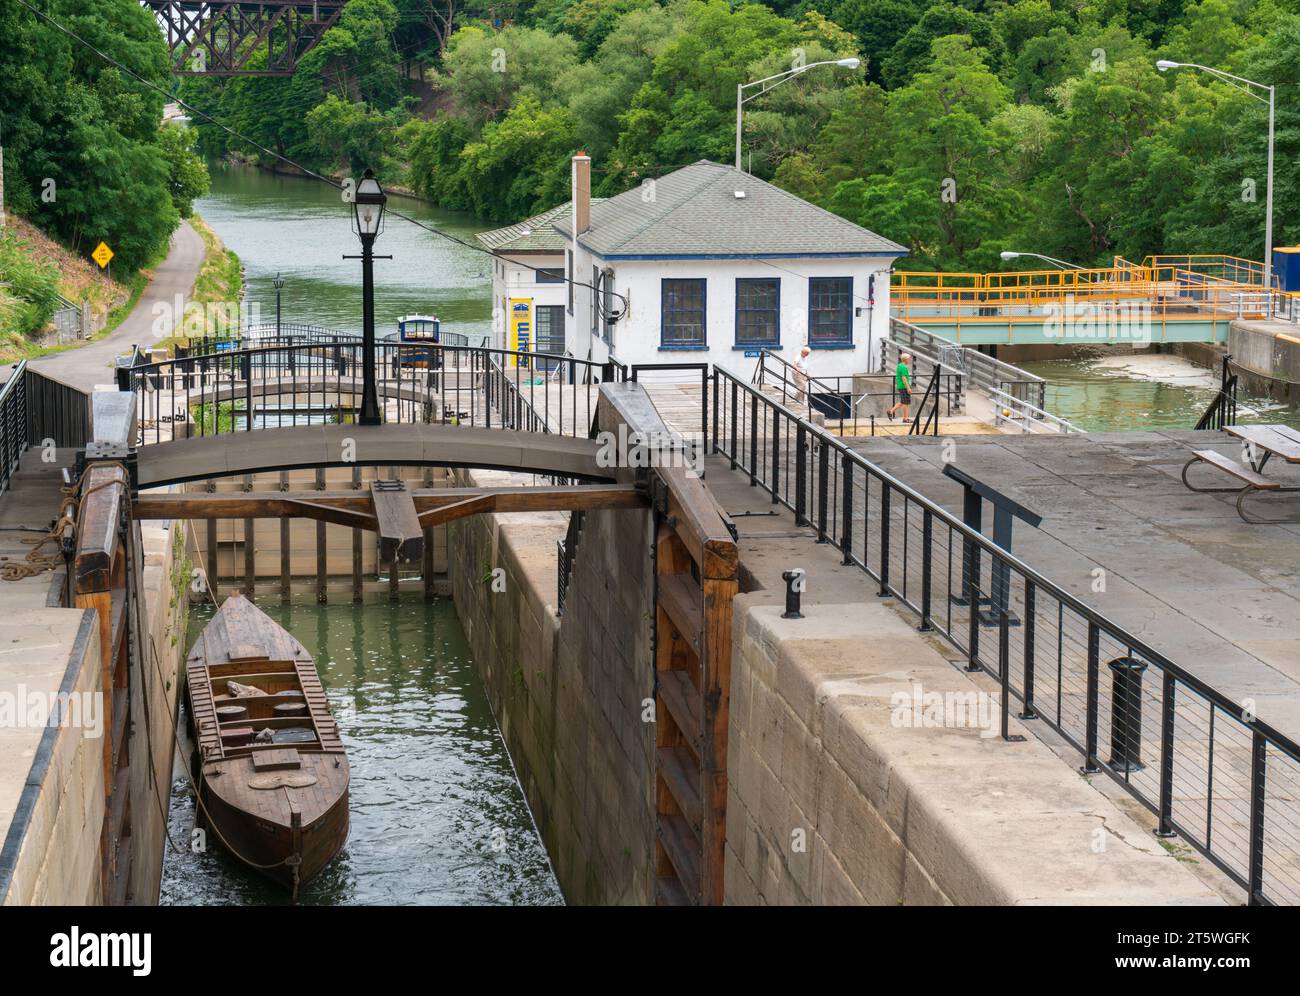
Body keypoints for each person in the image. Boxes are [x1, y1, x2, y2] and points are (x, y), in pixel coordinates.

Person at [886, 352, 911, 421]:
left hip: (900, 386)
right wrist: (908, 387)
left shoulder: (899, 366)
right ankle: (905, 418)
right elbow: (904, 378)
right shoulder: (904, 367)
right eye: (908, 359)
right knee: (905, 402)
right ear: (905, 359)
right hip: (904, 386)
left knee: (903, 402)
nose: (909, 360)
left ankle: (891, 412)